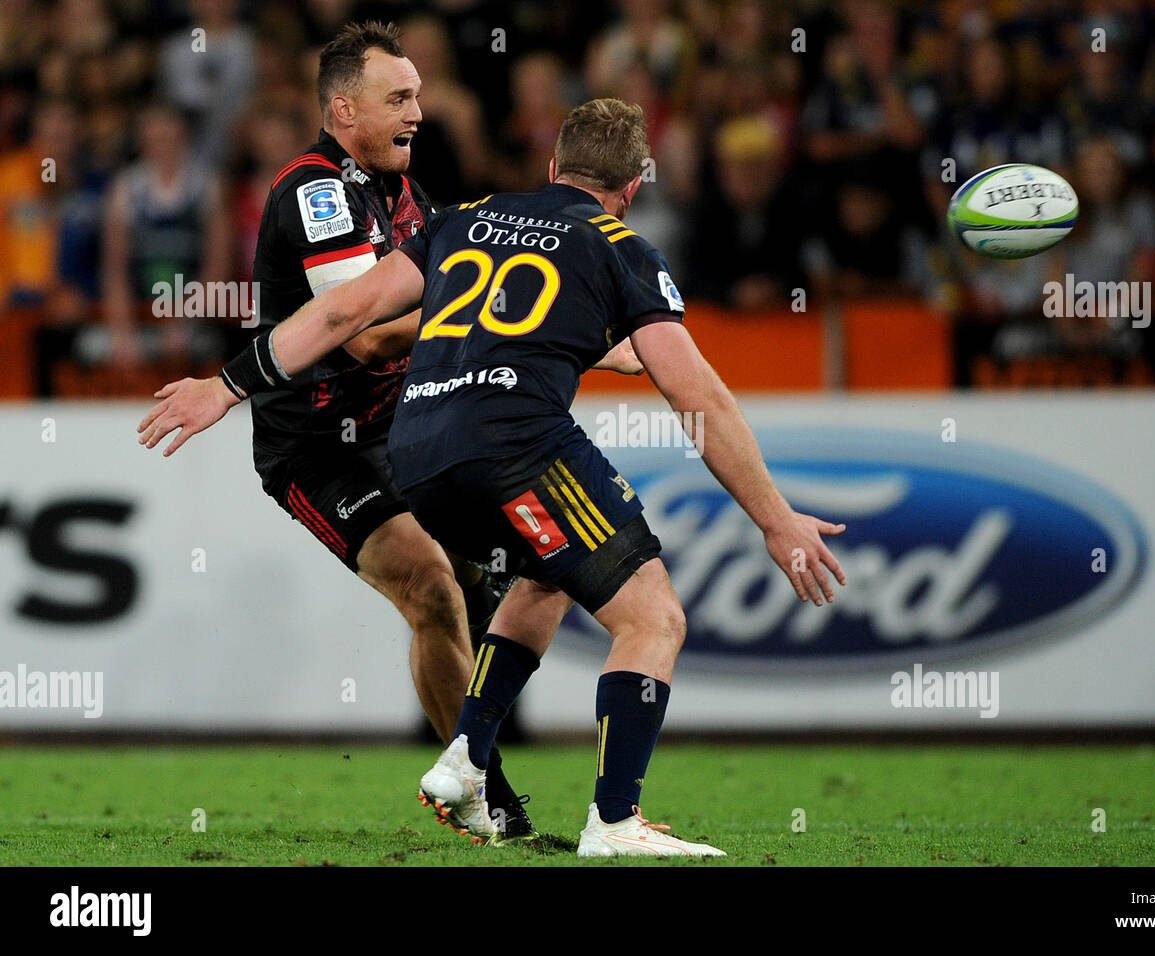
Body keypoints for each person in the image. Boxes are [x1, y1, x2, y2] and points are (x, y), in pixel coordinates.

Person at [137, 97, 846, 857]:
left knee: (548, 570)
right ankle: (614, 823)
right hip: (516, 447)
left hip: (416, 449)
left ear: (551, 167)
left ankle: (466, 757)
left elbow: (348, 313)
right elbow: (696, 395)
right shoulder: (622, 249)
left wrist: (226, 385)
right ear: (634, 186)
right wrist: (776, 519)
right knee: (653, 618)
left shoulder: (465, 218)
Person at [135, 21, 643, 844]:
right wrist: (512, 316)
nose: (419, 109)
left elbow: (439, 309)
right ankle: (487, 802)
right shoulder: (316, 191)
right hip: (316, 446)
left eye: (417, 93)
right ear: (344, 108)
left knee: (516, 569)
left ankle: (470, 770)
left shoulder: (408, 195)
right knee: (431, 587)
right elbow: (365, 333)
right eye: (398, 97)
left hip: (405, 428)